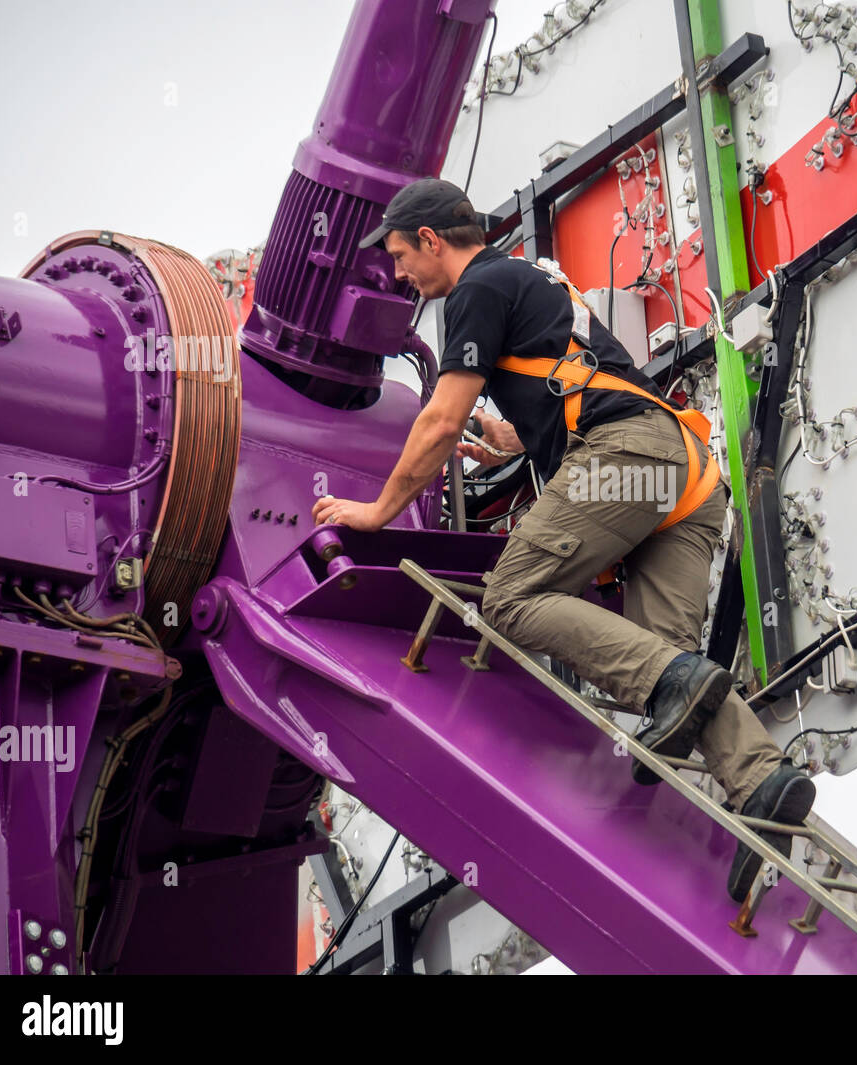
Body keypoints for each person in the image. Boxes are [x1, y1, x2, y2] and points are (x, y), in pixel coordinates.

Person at [311, 177, 814, 901]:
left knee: (512, 598)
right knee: (666, 677)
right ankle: (764, 785)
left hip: (626, 460)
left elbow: (438, 420)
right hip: (682, 475)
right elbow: (574, 385)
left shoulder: (474, 290)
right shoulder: (531, 282)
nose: (397, 276)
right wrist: (508, 438)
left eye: (397, 256)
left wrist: (376, 511)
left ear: (429, 239)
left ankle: (682, 684)